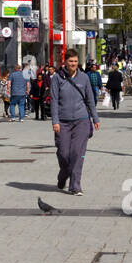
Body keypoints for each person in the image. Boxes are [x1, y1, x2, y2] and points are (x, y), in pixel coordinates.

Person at [52, 50, 98, 196]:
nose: (73, 64)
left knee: (77, 154)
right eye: (71, 61)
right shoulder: (57, 78)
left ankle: (75, 186)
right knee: (64, 153)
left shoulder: (84, 78)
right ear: (65, 62)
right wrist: (55, 121)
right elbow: (53, 100)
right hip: (63, 122)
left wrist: (95, 118)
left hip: (81, 121)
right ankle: (63, 174)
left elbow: (90, 99)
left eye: (75, 61)